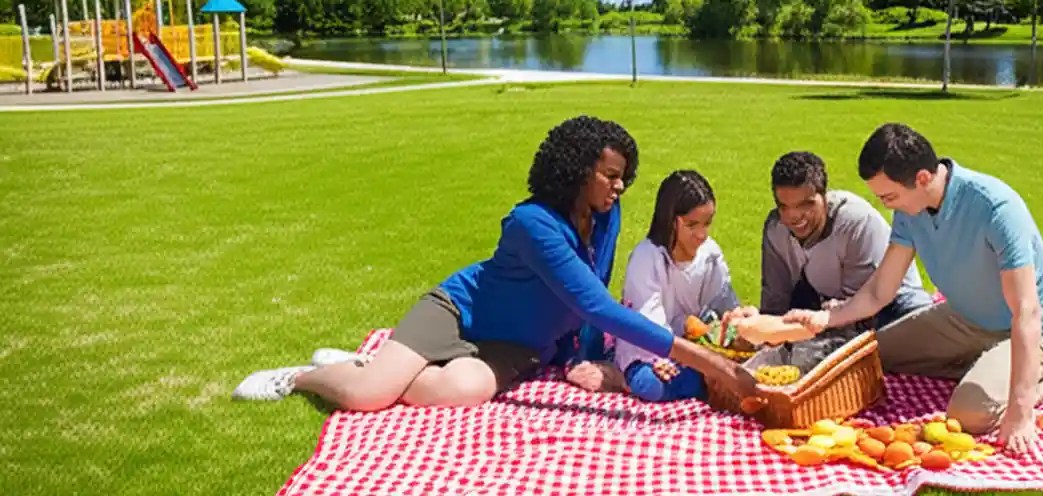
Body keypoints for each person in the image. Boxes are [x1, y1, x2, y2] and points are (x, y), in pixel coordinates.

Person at [232, 115, 759, 410]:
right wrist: (708, 361)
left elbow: (594, 285)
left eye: (624, 175)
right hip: (462, 313)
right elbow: (593, 302)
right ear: (577, 169)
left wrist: (589, 353)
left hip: (521, 344)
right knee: (368, 397)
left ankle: (373, 366)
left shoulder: (606, 214)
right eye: (610, 174)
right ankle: (305, 377)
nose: (620, 186)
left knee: (458, 392)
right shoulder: (531, 223)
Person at [783, 123, 1043, 457]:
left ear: (923, 178)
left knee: (970, 413)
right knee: (870, 358)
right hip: (964, 317)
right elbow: (878, 292)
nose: (886, 206)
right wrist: (824, 318)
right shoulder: (909, 211)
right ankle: (983, 364)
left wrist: (1021, 410)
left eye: (890, 196)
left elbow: (1027, 311)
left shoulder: (995, 207)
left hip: (1030, 329)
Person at [726, 151, 932, 330]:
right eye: (784, 206)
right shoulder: (775, 228)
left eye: (805, 204)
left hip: (888, 302)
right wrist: (759, 327)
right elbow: (775, 303)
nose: (794, 216)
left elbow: (862, 310)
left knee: (915, 328)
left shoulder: (854, 223)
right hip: (829, 303)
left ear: (824, 196)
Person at [612, 170, 741, 402]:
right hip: (652, 351)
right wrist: (660, 358)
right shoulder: (647, 257)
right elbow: (647, 325)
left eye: (707, 224)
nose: (702, 234)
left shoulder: (709, 252)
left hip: (697, 348)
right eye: (692, 225)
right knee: (651, 385)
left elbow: (725, 306)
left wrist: (738, 323)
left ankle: (705, 381)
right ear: (671, 220)